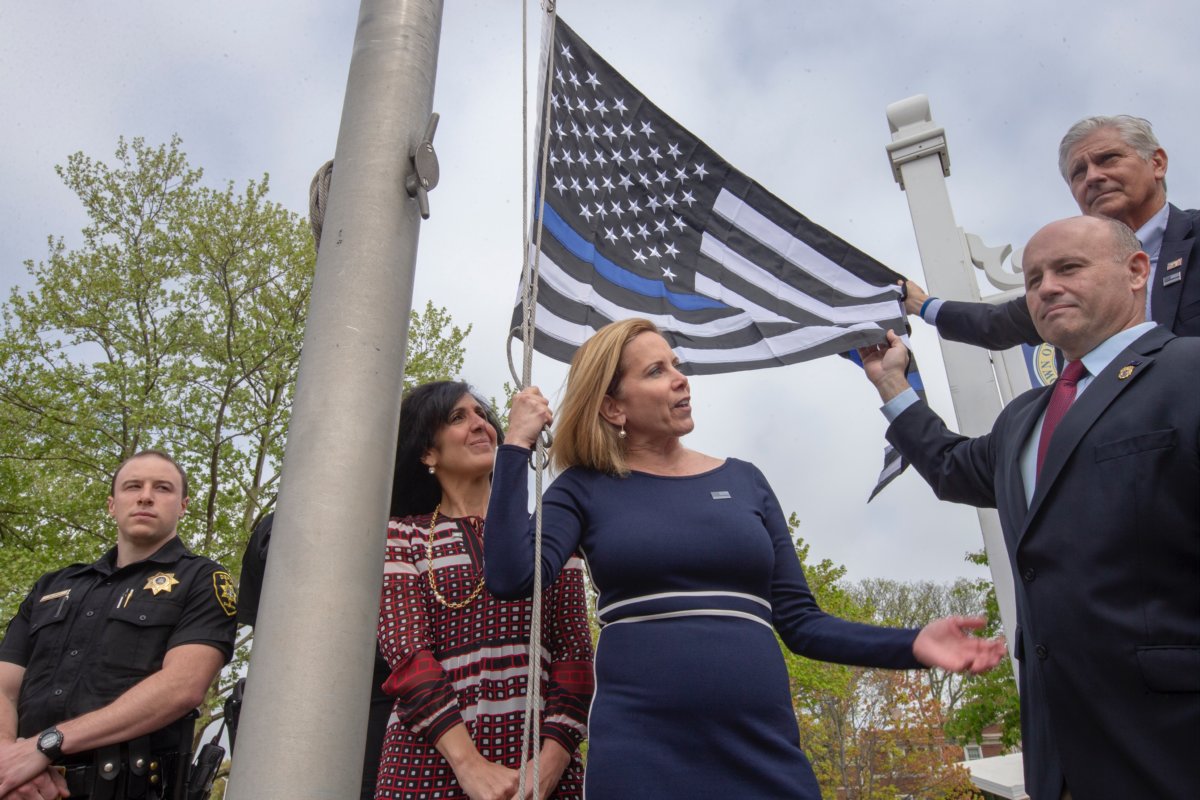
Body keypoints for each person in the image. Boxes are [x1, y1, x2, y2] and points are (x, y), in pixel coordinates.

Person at [484, 319, 1005, 799]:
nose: (680, 380)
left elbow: (802, 624)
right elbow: (511, 575)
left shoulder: (745, 481)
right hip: (643, 753)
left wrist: (912, 643)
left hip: (764, 750)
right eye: (656, 371)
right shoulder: (583, 489)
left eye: (677, 365)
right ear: (613, 407)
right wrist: (515, 446)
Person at [861, 215, 1200, 799]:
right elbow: (950, 469)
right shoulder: (1025, 417)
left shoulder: (1189, 372)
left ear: (1137, 270)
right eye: (1034, 278)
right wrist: (894, 387)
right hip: (1060, 760)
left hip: (1173, 746)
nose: (1045, 288)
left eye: (1068, 268)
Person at [375, 381, 593, 800]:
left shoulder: (549, 535)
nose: (480, 425)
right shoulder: (401, 536)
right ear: (427, 452)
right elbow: (408, 659)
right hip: (426, 769)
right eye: (458, 418)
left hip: (541, 771)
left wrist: (549, 765)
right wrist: (469, 765)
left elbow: (575, 659)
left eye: (482, 416)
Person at [0, 450, 238, 799]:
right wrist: (9, 763)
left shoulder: (202, 580)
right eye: (132, 486)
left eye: (162, 488)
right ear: (112, 504)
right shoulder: (53, 586)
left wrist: (44, 746)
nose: (145, 495)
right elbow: (4, 685)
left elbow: (182, 687)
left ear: (183, 506)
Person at [904, 115, 1200, 347]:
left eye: (1108, 159)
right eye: (1078, 173)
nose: (1094, 177)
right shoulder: (1065, 283)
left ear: (1157, 163)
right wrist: (922, 305)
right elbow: (997, 324)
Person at [237, 513, 393, 800]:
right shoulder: (274, 527)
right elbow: (262, 623)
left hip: (386, 704)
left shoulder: (410, 517)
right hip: (289, 710)